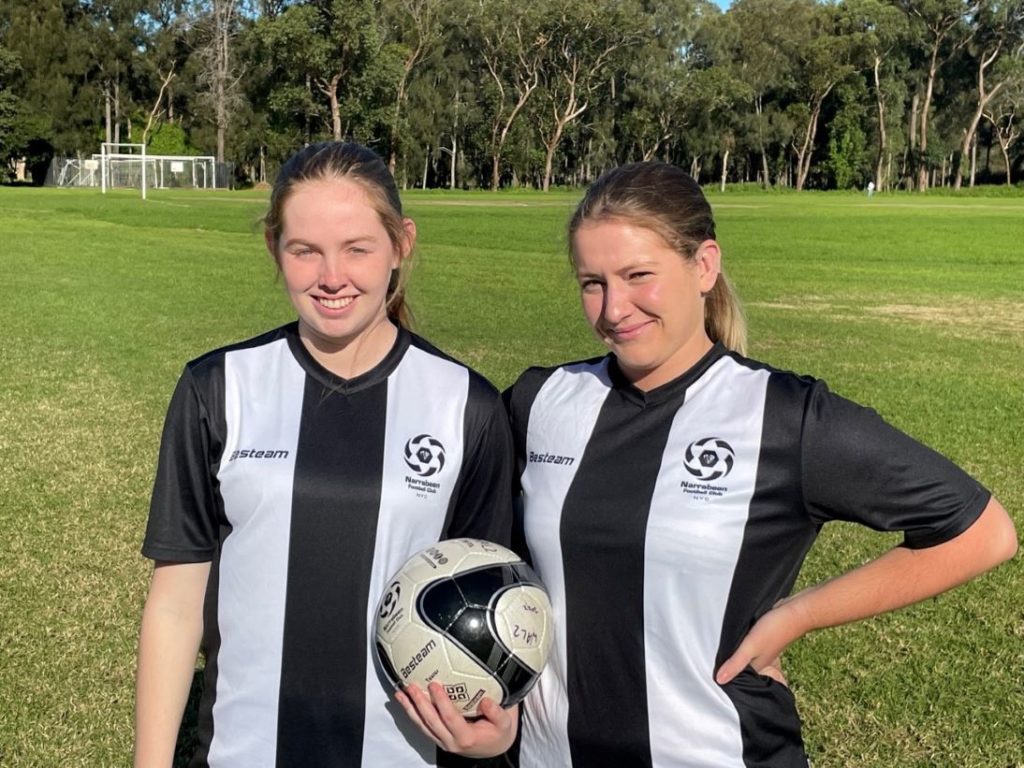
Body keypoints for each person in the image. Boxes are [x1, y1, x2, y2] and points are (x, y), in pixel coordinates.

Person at [497, 161, 1016, 767]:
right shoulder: (541, 402)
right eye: (592, 283)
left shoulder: (785, 418)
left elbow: (984, 532)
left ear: (704, 266)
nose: (614, 309)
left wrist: (797, 616)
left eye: (639, 275)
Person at [135, 141, 517, 768]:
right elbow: (176, 605)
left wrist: (498, 731)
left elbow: (489, 606)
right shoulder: (218, 388)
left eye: (357, 248)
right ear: (274, 249)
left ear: (401, 244)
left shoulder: (467, 406)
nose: (331, 276)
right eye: (304, 250)